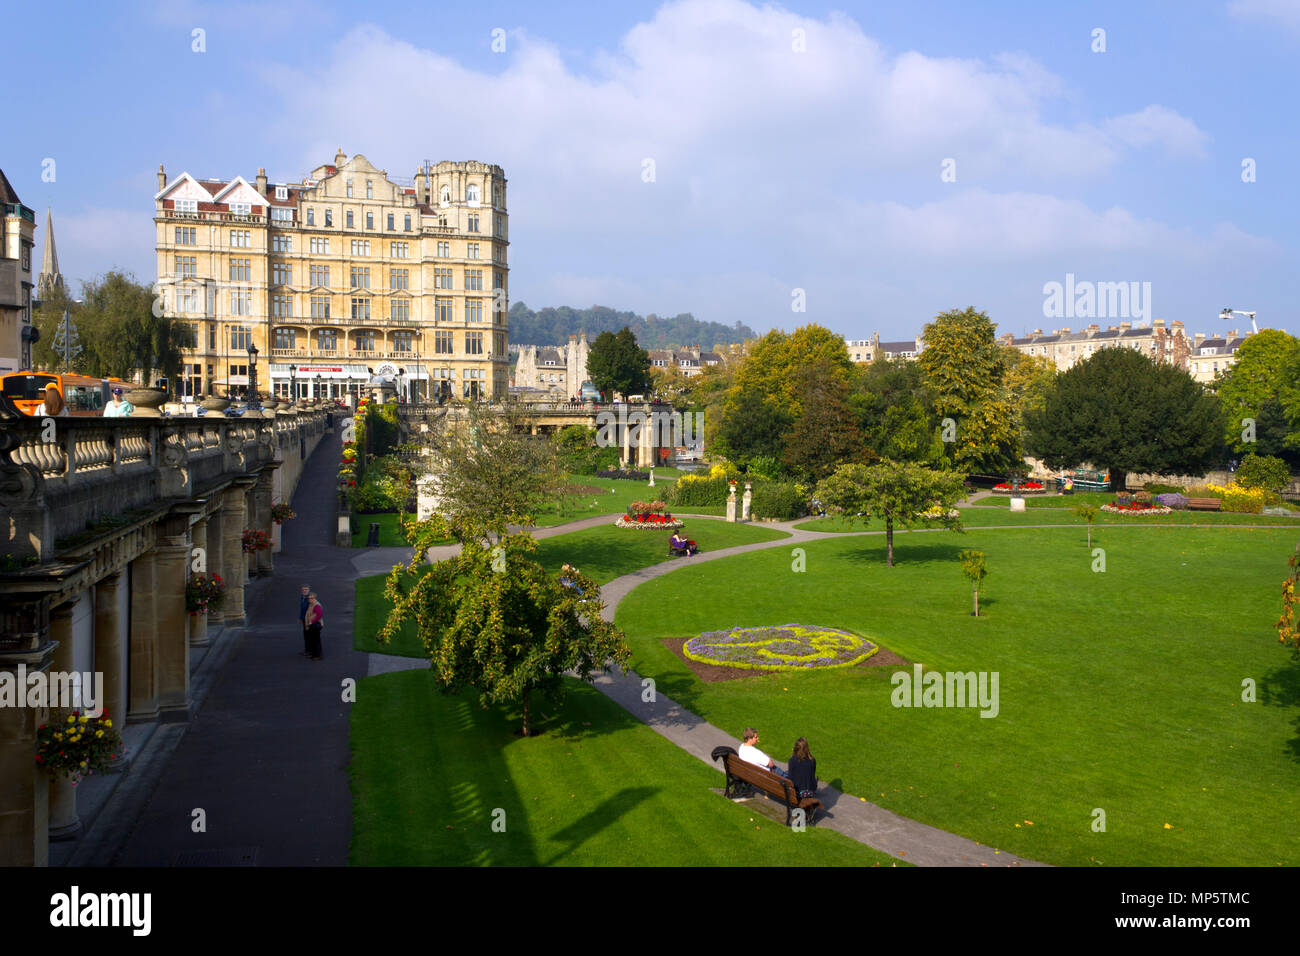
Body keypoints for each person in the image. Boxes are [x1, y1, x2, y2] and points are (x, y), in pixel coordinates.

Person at [304, 592, 324, 661]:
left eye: (312, 598)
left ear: (315, 598)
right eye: (309, 598)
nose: (310, 599)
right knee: (312, 640)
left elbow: (320, 615)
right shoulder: (310, 604)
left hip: (316, 625)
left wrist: (311, 621)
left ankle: (318, 656)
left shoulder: (316, 605)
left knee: (316, 641)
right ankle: (313, 654)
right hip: (311, 625)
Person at [297, 585, 312, 657]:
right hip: (303, 619)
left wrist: (310, 619)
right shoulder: (302, 597)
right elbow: (302, 609)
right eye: (303, 589)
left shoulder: (310, 599)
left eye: (306, 589)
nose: (304, 591)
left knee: (309, 635)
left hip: (308, 619)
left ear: (309, 590)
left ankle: (309, 651)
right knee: (305, 635)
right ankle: (307, 650)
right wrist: (300, 618)